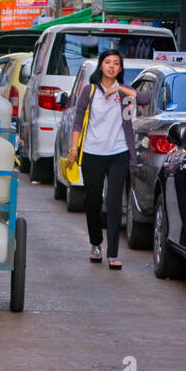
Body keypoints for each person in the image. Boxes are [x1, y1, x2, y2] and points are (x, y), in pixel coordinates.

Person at [67, 50, 149, 270]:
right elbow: (77, 121)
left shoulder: (124, 94)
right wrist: (74, 148)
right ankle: (96, 244)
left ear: (120, 68)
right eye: (107, 62)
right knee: (93, 202)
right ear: (101, 66)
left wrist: (121, 88)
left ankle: (113, 253)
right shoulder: (90, 91)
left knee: (113, 203)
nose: (112, 66)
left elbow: (144, 99)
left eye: (116, 63)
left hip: (118, 154)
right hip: (92, 153)